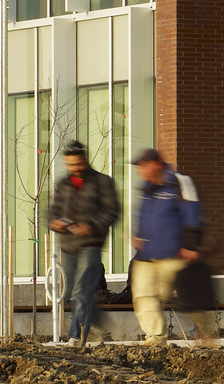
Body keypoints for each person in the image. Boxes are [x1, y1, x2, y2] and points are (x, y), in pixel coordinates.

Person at [127, 150, 213, 344]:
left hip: (175, 253)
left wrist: (191, 245)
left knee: (184, 299)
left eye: (143, 166)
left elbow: (193, 213)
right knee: (142, 294)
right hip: (147, 255)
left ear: (156, 164)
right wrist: (138, 237)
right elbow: (143, 217)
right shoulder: (147, 189)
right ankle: (155, 338)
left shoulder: (180, 183)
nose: (140, 171)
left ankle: (205, 334)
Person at [45, 142, 121, 345]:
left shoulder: (102, 182)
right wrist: (55, 222)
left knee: (81, 291)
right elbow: (52, 212)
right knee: (72, 292)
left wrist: (92, 225)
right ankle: (98, 322)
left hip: (91, 244)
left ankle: (75, 336)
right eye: (70, 165)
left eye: (78, 163)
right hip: (69, 246)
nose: (75, 168)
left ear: (85, 160)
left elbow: (112, 211)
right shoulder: (63, 184)